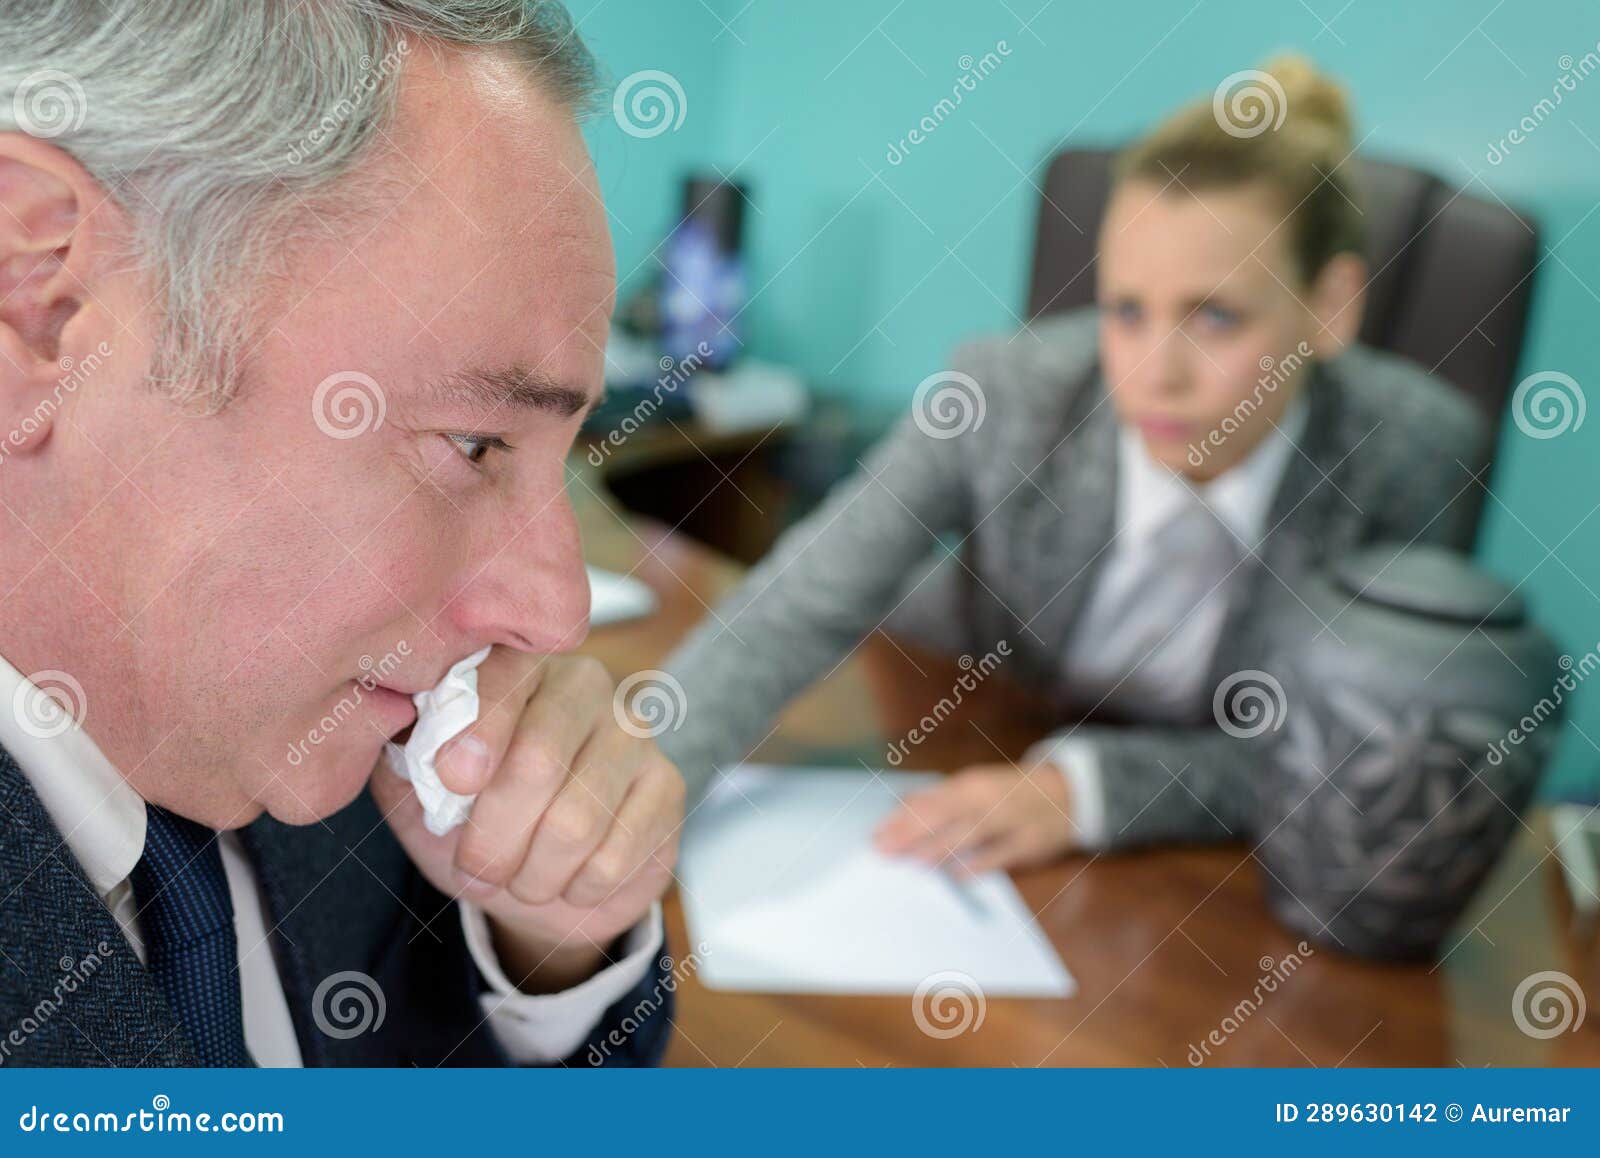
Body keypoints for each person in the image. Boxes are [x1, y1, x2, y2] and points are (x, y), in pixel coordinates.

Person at [0, 2, 682, 1067]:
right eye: (473, 442)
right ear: (39, 295)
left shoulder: (310, 731)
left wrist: (546, 940)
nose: (559, 611)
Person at [660, 56, 1490, 879]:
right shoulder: (1001, 392)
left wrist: (1087, 790)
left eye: (1218, 317)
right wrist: (651, 776)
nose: (1156, 372)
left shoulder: (1411, 453)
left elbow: (1354, 759)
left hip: (1192, 873)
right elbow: (794, 607)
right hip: (951, 745)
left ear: (1331, 306)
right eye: (1127, 310)